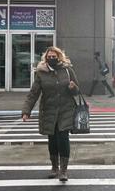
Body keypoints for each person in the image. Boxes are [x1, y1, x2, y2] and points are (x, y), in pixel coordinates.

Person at [22, 46, 80, 182]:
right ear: (46, 58)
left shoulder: (67, 70)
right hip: (48, 110)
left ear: (59, 57)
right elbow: (33, 94)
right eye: (49, 56)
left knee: (63, 138)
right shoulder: (41, 73)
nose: (52, 58)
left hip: (66, 110)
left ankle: (63, 170)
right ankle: (54, 167)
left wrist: (73, 88)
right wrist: (26, 111)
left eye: (54, 56)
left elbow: (77, 91)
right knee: (52, 140)